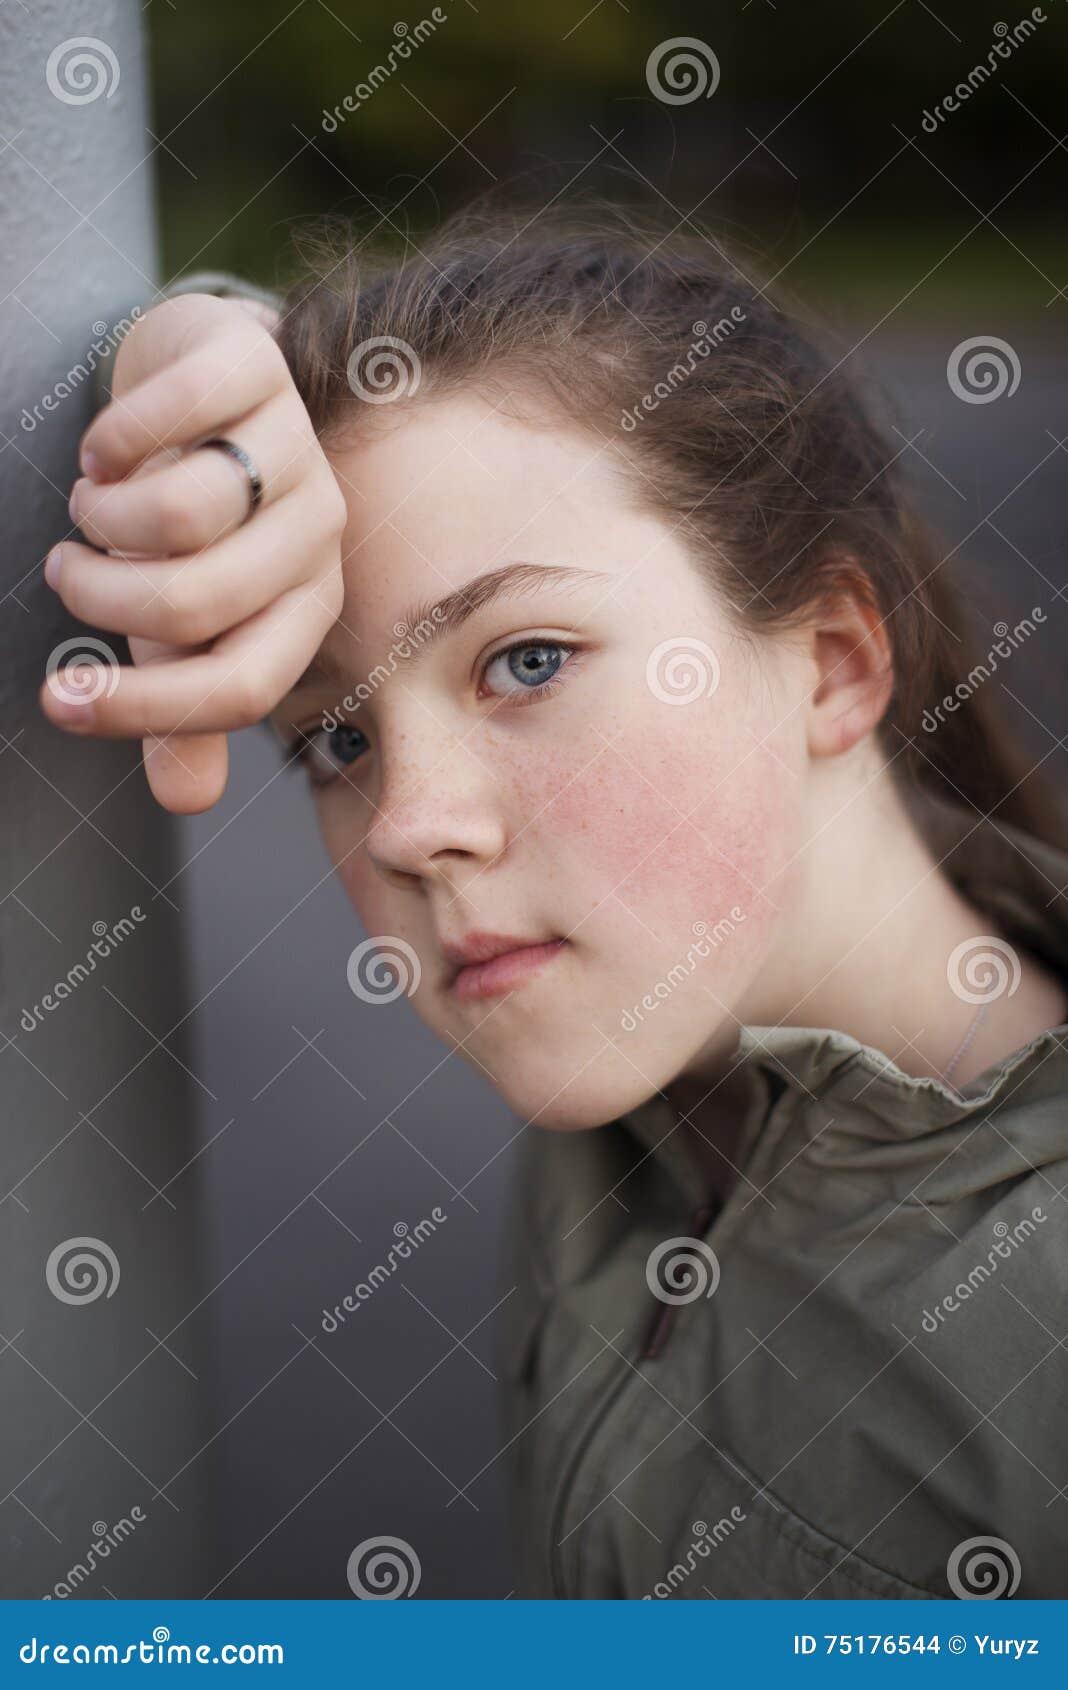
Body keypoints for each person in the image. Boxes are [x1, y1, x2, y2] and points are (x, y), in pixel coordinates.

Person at [40, 201, 1068, 1599]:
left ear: (830, 659)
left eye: (525, 661)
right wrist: (193, 341)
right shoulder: (660, 1047)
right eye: (336, 739)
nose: (407, 824)